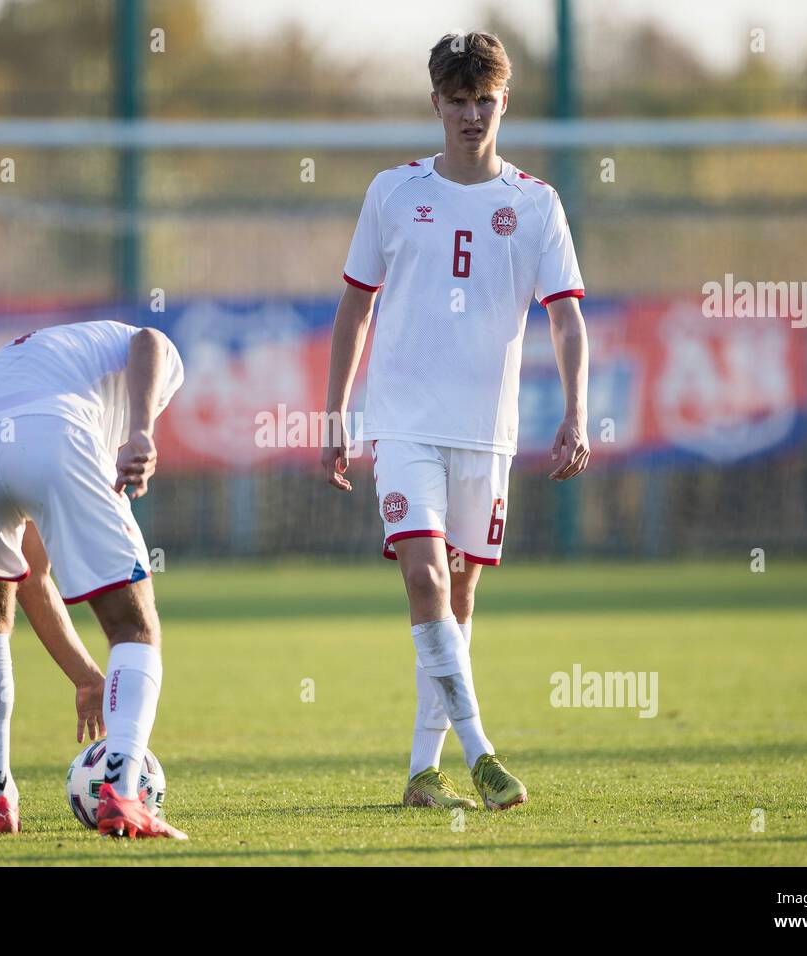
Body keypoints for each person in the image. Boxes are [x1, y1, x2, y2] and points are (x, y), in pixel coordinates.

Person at [320, 32, 592, 811]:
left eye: (485, 99)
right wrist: (336, 409)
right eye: (458, 100)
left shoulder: (536, 203)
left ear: (504, 101)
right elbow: (355, 307)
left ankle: (420, 773)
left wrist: (576, 411)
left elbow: (567, 319)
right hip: (403, 424)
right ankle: (481, 755)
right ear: (435, 102)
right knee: (425, 575)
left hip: (487, 433)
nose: (471, 114)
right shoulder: (393, 193)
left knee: (459, 594)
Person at [0, 319, 188, 839]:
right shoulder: (125, 362)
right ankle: (122, 794)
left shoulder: (42, 356)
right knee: (134, 625)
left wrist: (87, 677)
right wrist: (143, 429)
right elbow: (151, 340)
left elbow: (32, 576)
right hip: (51, 431)